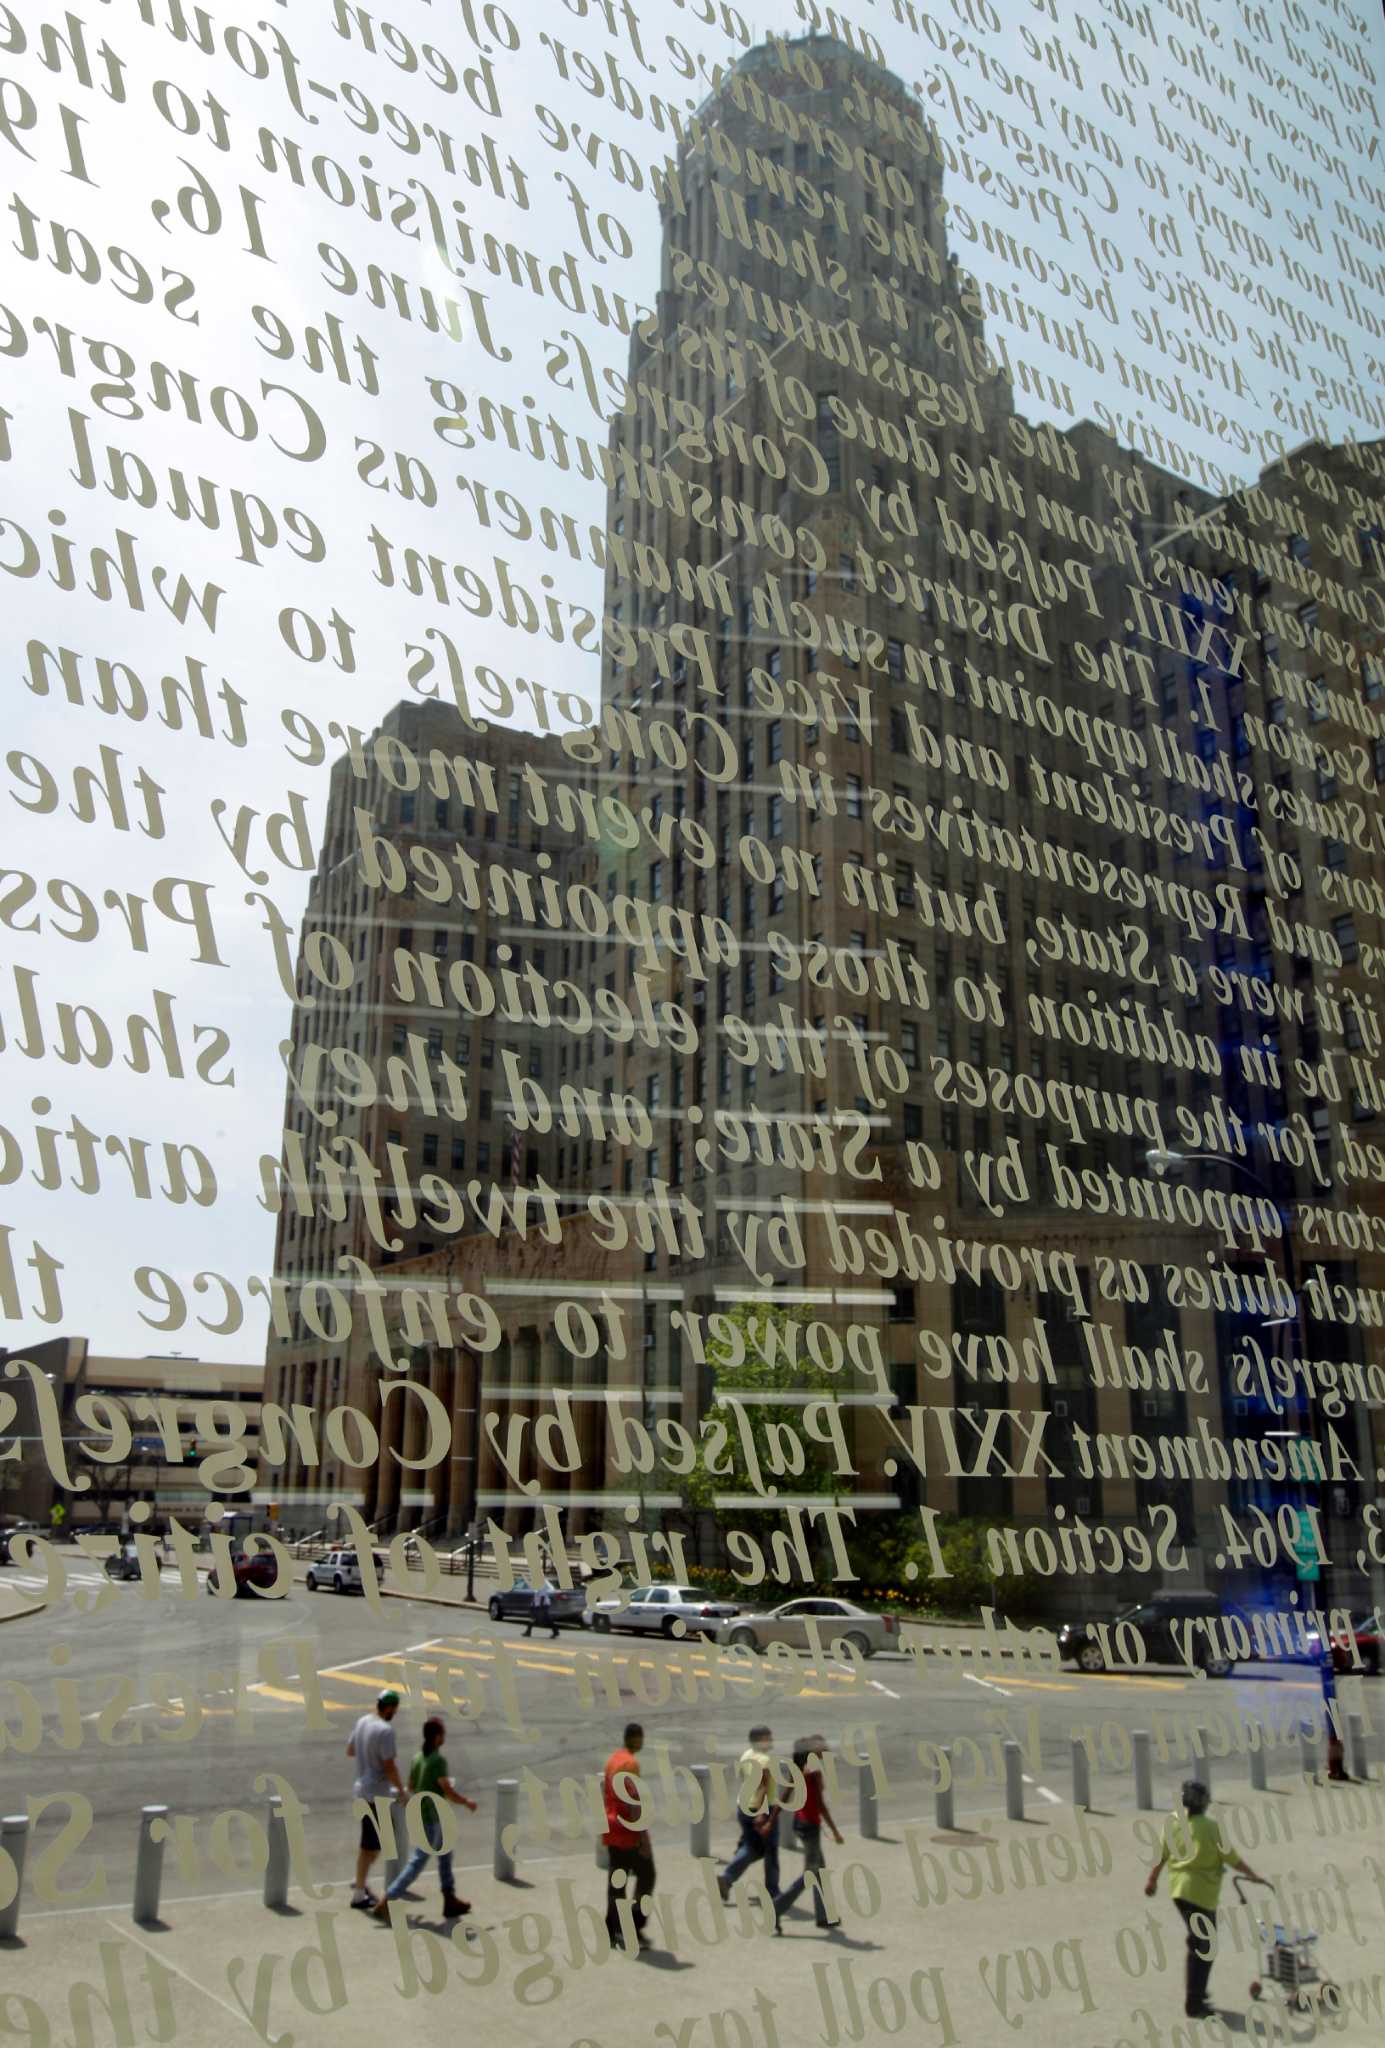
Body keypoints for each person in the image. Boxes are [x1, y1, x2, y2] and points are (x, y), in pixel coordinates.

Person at [1145, 1778, 1270, 2019]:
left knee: (1201, 1944)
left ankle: (1198, 1995)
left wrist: (1152, 1880)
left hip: (1179, 1893)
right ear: (1204, 1803)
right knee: (1205, 1946)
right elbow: (1232, 1858)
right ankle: (1194, 2002)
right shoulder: (1211, 1827)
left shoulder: (1172, 1824)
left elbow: (1161, 1855)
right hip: (1200, 1895)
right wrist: (1254, 1876)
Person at [374, 1716, 477, 1921]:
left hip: (424, 1815)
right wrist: (466, 1802)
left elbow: (411, 1786)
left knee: (446, 1856)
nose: (444, 1736)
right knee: (418, 1862)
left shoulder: (418, 1758)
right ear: (437, 1737)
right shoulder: (438, 1761)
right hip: (433, 1819)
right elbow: (447, 1790)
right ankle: (388, 1899)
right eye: (443, 1733)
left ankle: (450, 1899)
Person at [773, 1736, 842, 1933]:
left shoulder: (799, 1770)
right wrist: (835, 1831)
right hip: (810, 1827)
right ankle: (776, 1908)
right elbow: (820, 1806)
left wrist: (771, 1820)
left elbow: (785, 1795)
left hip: (800, 1824)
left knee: (818, 1871)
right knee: (811, 1873)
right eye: (821, 1747)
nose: (825, 1749)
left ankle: (824, 1916)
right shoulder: (813, 1773)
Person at [347, 1688, 405, 1910]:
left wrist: (367, 1754)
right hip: (376, 1794)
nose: (395, 1714)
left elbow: (351, 1750)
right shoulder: (385, 1730)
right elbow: (390, 1765)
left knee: (376, 1843)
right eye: (395, 1710)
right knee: (370, 1846)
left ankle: (360, 1878)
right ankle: (359, 1893)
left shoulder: (362, 1722)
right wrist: (402, 1791)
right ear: (389, 1707)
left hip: (361, 1789)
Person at [602, 1720, 655, 1950]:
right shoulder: (631, 1764)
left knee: (617, 1882)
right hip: (627, 1831)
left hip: (611, 1826)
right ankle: (630, 1927)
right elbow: (633, 1802)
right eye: (640, 1737)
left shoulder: (613, 1760)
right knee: (647, 1875)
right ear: (635, 1739)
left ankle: (611, 1931)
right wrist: (642, 1837)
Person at [718, 1724, 781, 1909]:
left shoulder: (746, 1755)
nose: (771, 1739)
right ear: (760, 1740)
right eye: (768, 1737)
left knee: (754, 1847)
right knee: (769, 1850)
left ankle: (729, 1876)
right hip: (760, 1809)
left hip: (743, 1807)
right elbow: (762, 1786)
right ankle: (772, 1891)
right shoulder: (766, 1760)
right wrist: (762, 1814)